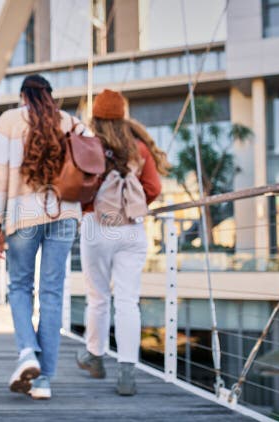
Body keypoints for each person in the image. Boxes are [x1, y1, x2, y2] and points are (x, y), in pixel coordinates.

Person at [0, 74, 83, 400]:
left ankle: (27, 352)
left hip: (22, 215)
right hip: (65, 213)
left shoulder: (10, 120)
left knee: (19, 287)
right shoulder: (71, 123)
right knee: (52, 293)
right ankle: (43, 382)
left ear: (22, 96)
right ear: (50, 95)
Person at [75, 89, 169, 396]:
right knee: (128, 301)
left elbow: (80, 189)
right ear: (123, 115)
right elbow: (153, 188)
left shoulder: (90, 145)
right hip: (132, 229)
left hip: (97, 228)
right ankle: (127, 372)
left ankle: (95, 357)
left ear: (96, 116)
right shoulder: (139, 148)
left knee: (98, 297)